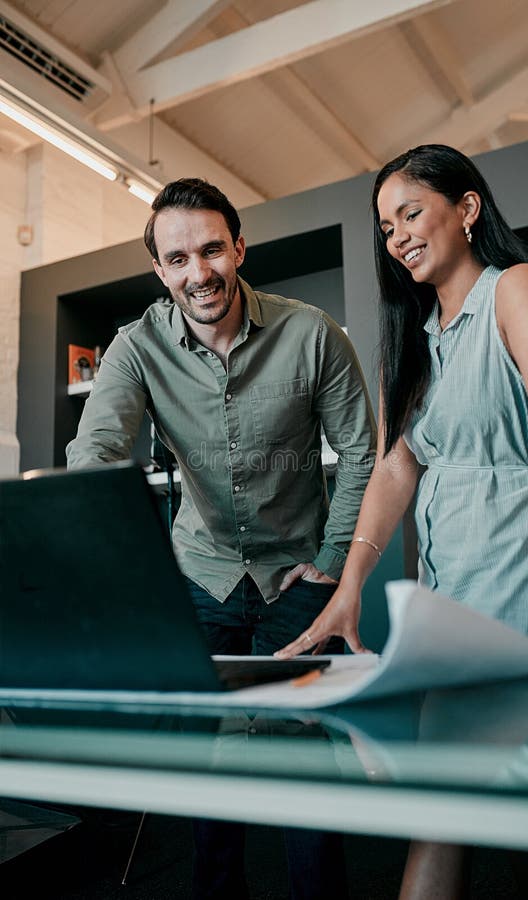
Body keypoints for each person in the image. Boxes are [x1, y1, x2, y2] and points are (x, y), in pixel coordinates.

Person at [275, 144, 528, 898]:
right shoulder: (420, 334)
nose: (397, 237)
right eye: (387, 227)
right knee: (522, 812)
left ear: (467, 208)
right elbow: (397, 466)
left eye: (411, 213)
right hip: (452, 589)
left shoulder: (514, 289)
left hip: (520, 579)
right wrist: (350, 585)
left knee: (465, 809)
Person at [66, 177, 376, 899]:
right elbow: (96, 454)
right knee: (212, 769)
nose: (198, 273)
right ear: (159, 269)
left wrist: (332, 562)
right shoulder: (135, 347)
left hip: (299, 579)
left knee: (303, 765)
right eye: (177, 259)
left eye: (211, 250)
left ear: (238, 247)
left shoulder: (312, 334)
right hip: (201, 578)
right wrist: (122, 564)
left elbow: (363, 451)